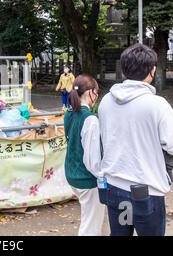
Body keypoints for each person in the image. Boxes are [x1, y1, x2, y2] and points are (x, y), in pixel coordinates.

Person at [98, 43, 173, 236]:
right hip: (146, 192)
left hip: (114, 186)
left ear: (123, 68)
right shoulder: (156, 105)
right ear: (152, 70)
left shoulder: (106, 101)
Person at [64, 74, 105, 236]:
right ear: (90, 92)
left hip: (72, 173)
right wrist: (102, 177)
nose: (97, 96)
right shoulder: (90, 119)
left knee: (91, 218)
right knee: (91, 225)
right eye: (97, 92)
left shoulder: (69, 113)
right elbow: (92, 159)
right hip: (87, 178)